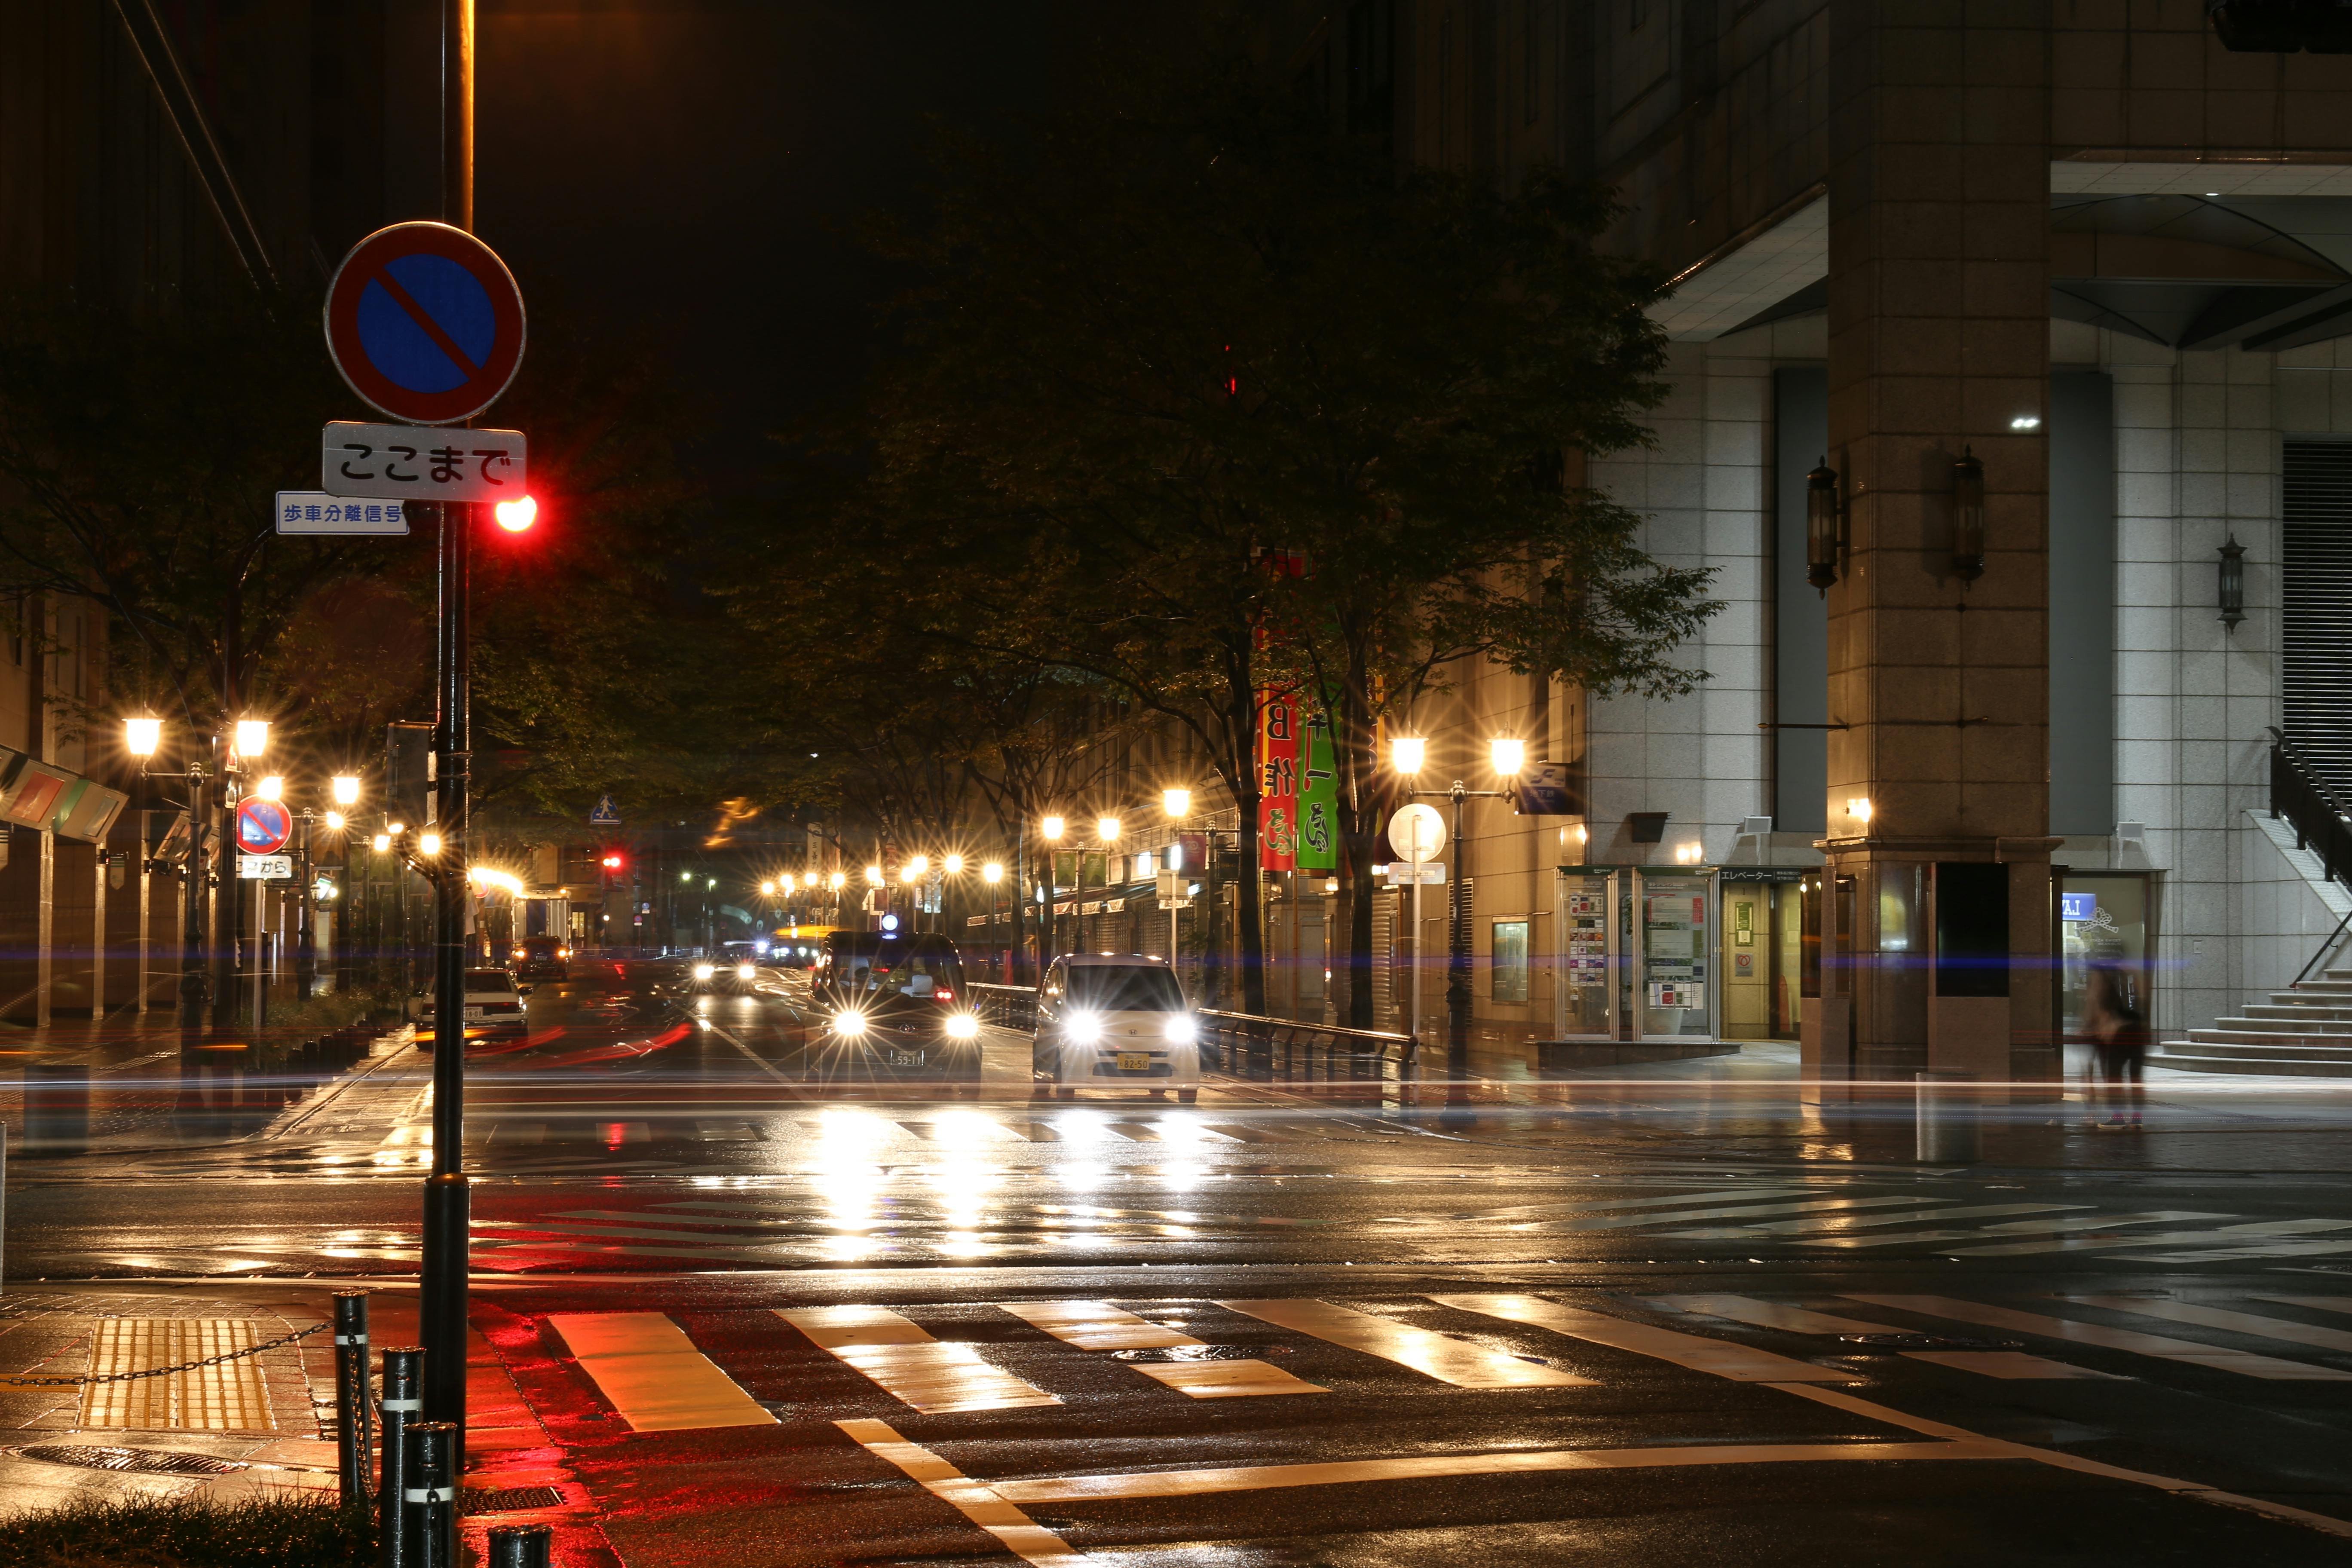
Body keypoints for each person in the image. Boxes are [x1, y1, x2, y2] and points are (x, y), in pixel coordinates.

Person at [2082, 963, 2147, 1129]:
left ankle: (2118, 1116)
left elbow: (2100, 1011)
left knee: (2113, 1075)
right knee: (2135, 1077)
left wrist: (2098, 1030)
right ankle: (2137, 1117)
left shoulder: (2105, 988)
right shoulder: (2128, 981)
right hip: (2138, 1031)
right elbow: (2141, 1000)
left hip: (2119, 1035)